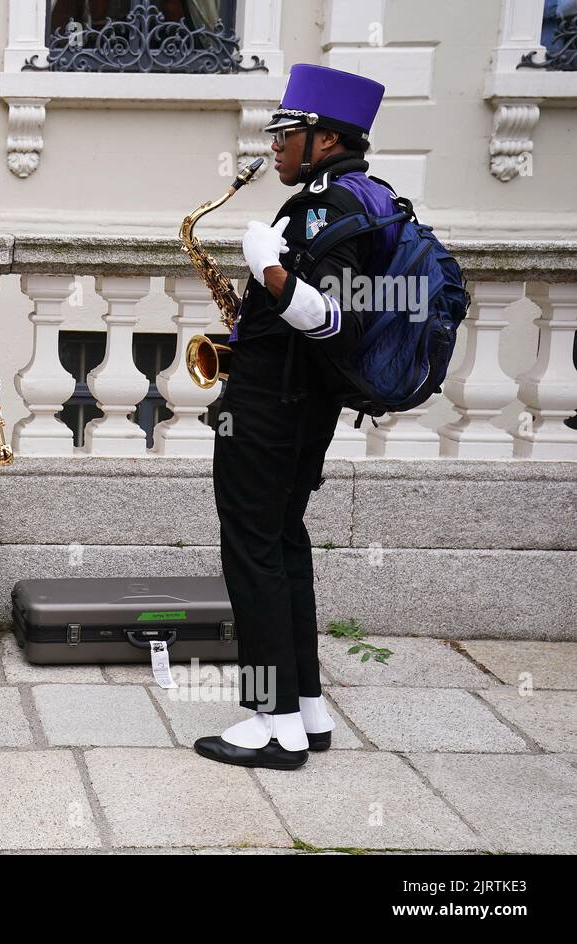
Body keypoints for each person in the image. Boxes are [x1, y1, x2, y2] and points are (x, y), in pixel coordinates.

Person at [195, 64, 399, 770]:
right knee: (282, 547)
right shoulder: (365, 196)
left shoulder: (325, 209)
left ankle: (270, 720)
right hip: (302, 406)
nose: (274, 146)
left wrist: (270, 272)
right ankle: (306, 707)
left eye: (286, 133)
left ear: (326, 139)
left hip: (270, 409)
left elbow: (337, 323)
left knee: (252, 554)